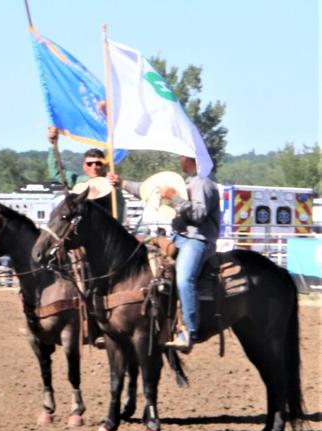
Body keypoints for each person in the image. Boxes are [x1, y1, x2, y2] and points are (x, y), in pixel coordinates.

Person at [110, 156, 219, 352]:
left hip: (198, 239)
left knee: (184, 278)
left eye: (182, 156)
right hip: (179, 237)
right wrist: (122, 183)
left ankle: (189, 331)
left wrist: (175, 198)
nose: (179, 159)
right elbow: (147, 190)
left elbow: (199, 215)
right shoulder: (185, 181)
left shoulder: (204, 183)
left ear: (190, 158)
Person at [47, 126, 125, 221]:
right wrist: (53, 145)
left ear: (104, 165)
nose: (94, 167)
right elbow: (56, 172)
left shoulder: (112, 184)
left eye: (98, 163)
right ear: (84, 165)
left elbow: (117, 216)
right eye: (89, 164)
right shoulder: (79, 181)